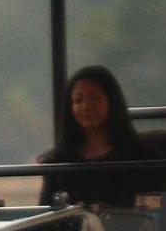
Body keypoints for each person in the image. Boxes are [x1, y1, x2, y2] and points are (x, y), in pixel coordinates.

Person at [37, 65, 150, 211]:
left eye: (95, 98)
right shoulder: (56, 162)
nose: (86, 106)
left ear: (112, 102)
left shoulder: (138, 156)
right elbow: (45, 214)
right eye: (78, 100)